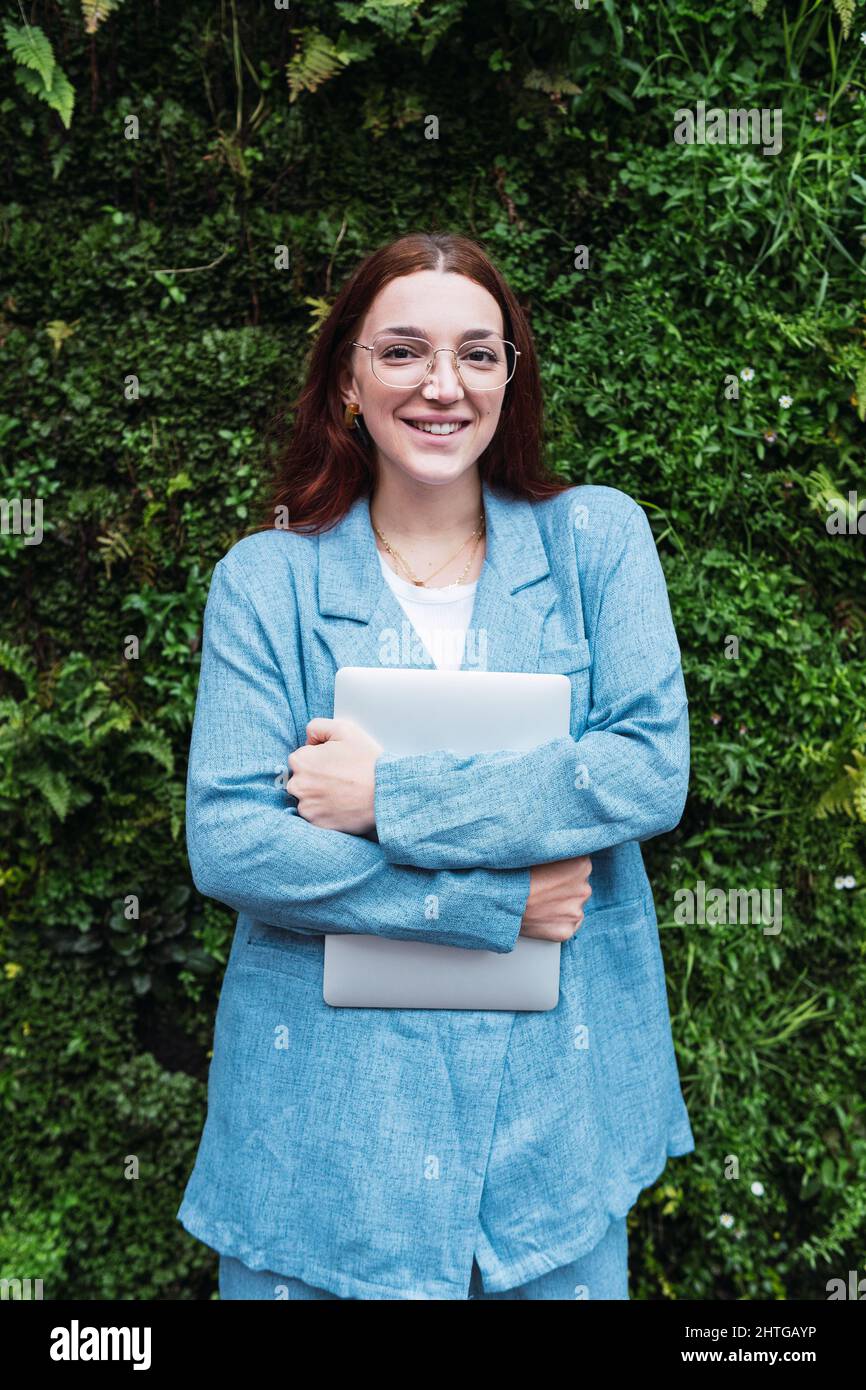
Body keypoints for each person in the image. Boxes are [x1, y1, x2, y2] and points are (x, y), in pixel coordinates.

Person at [176, 231, 694, 1300]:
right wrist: (485, 905)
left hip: (550, 1149)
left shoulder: (595, 540)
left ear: (511, 373)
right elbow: (231, 840)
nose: (441, 385)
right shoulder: (264, 580)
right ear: (347, 382)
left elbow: (643, 771)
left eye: (476, 353)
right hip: (325, 1147)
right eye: (403, 351)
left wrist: (387, 798)